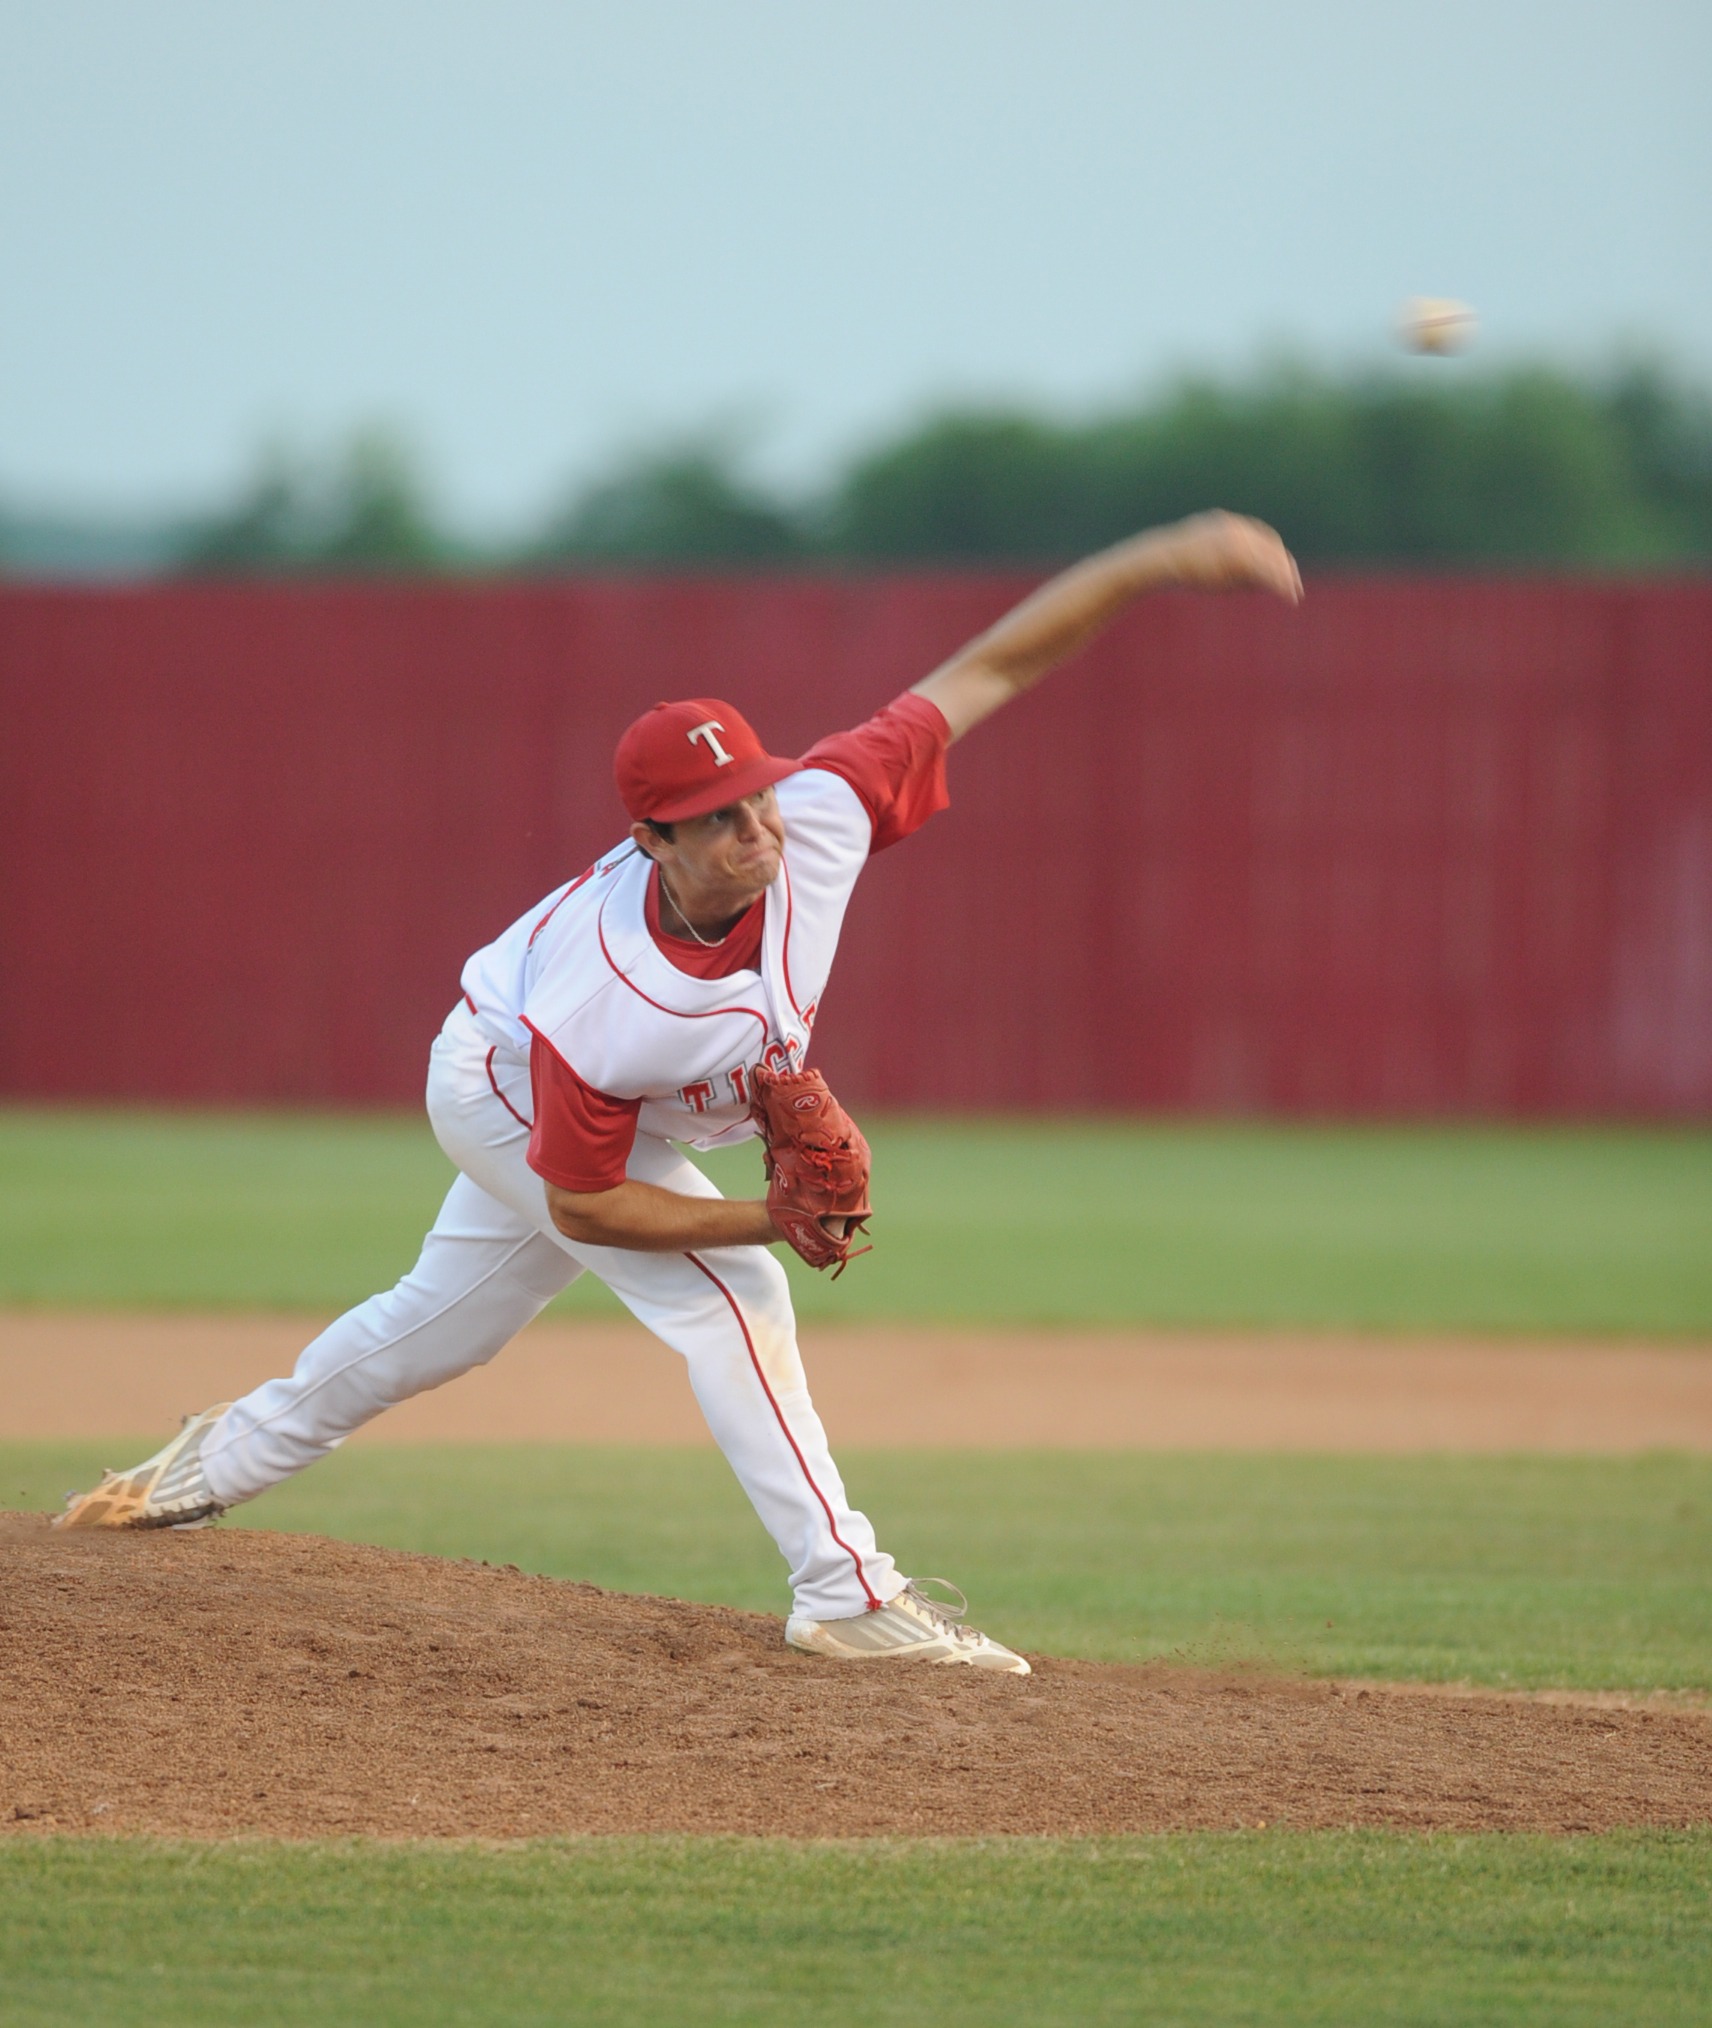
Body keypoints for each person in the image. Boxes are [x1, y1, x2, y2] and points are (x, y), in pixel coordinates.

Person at [57, 511, 1302, 1673]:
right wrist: (765, 1219)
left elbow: (987, 671)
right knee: (734, 1293)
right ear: (651, 839)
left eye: (752, 788)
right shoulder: (611, 996)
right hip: (503, 1084)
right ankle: (846, 1594)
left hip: (621, 1105)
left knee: (445, 1325)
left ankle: (202, 1466)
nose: (750, 824)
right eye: (712, 816)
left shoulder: (814, 816)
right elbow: (590, 1207)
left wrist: (1155, 561)